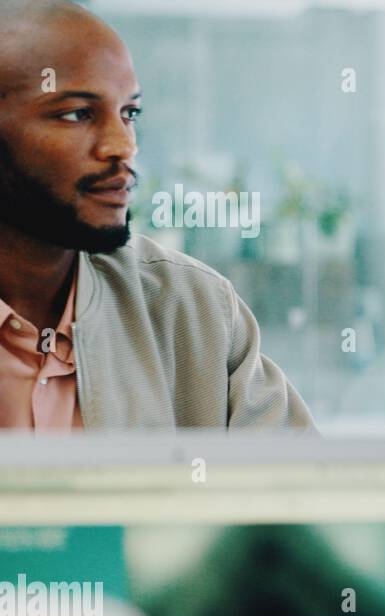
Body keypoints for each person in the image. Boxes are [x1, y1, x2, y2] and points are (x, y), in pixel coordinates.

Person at [0, 0, 312, 431]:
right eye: (77, 114)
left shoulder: (194, 310)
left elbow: (305, 489)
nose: (123, 145)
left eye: (129, 113)